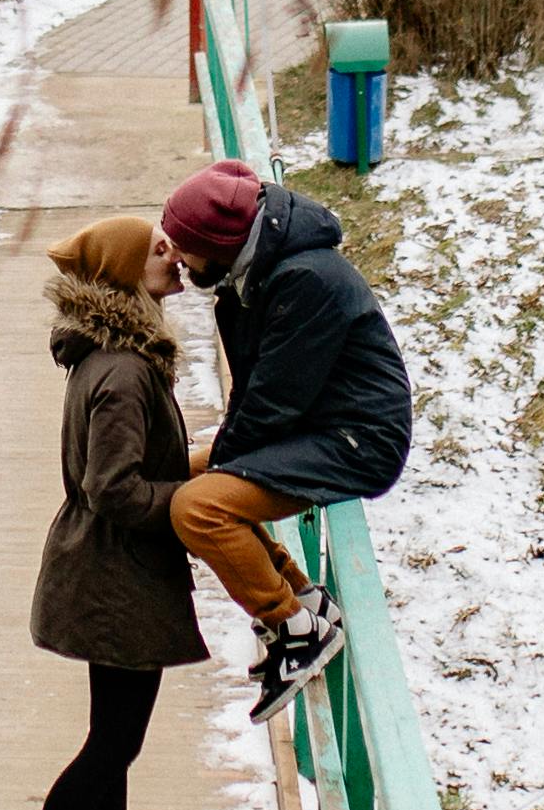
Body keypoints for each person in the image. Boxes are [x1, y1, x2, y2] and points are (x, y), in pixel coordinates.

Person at [1, 215, 202, 810]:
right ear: (122, 273)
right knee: (114, 744)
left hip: (109, 571)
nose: (174, 257)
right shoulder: (123, 370)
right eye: (157, 251)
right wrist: (186, 502)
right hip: (115, 574)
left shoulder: (117, 358)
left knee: (111, 742)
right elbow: (114, 488)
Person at [153, 154, 408, 721]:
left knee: (198, 508)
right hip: (316, 425)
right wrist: (218, 458)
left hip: (356, 440)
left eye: (181, 244)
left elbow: (275, 400)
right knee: (180, 474)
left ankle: (295, 630)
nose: (178, 259)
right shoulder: (262, 274)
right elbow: (258, 391)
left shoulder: (305, 279)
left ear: (215, 240)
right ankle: (305, 600)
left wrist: (223, 463)